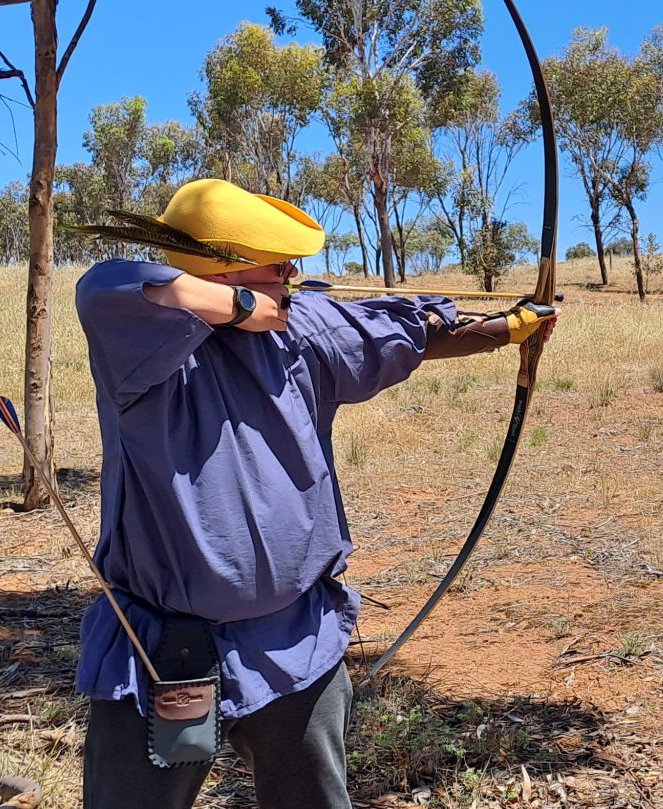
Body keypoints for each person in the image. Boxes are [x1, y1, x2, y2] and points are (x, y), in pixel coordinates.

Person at [71, 178, 556, 808]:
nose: (291, 273)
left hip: (296, 641)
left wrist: (509, 329)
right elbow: (112, 285)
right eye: (273, 262)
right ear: (221, 266)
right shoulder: (135, 338)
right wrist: (244, 306)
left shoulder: (298, 331)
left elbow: (399, 335)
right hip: (163, 649)